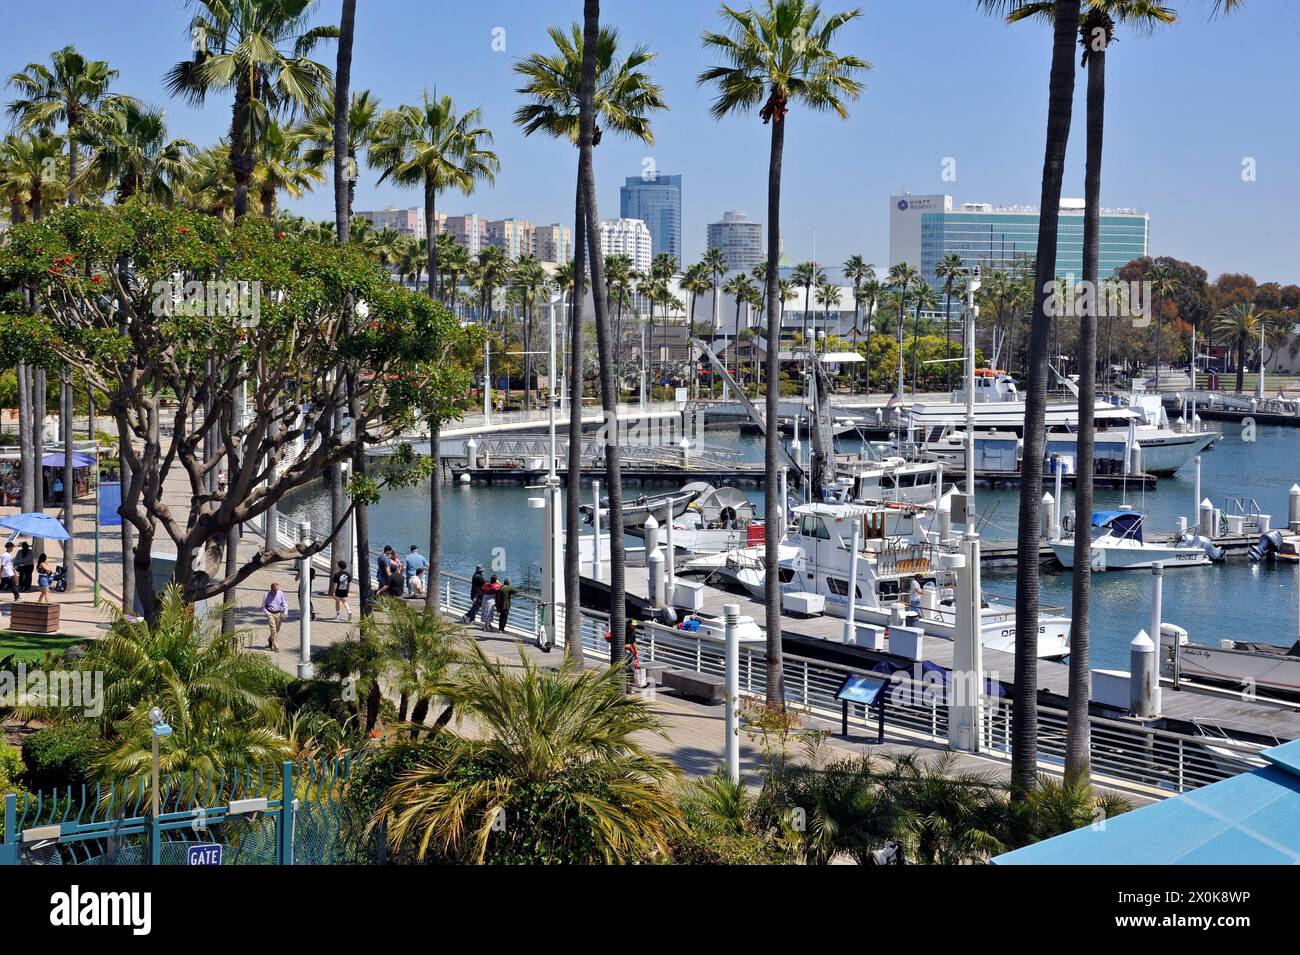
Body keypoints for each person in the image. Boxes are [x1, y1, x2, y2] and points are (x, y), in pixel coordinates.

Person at [262, 582, 288, 651]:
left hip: (278, 613)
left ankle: (270, 639)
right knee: (273, 629)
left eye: (276, 590)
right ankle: (275, 646)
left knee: (277, 630)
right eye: (274, 590)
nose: (275, 592)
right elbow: (263, 606)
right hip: (270, 613)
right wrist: (267, 613)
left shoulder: (280, 593)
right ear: (271, 589)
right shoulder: (267, 595)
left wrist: (285, 611)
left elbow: (284, 603)